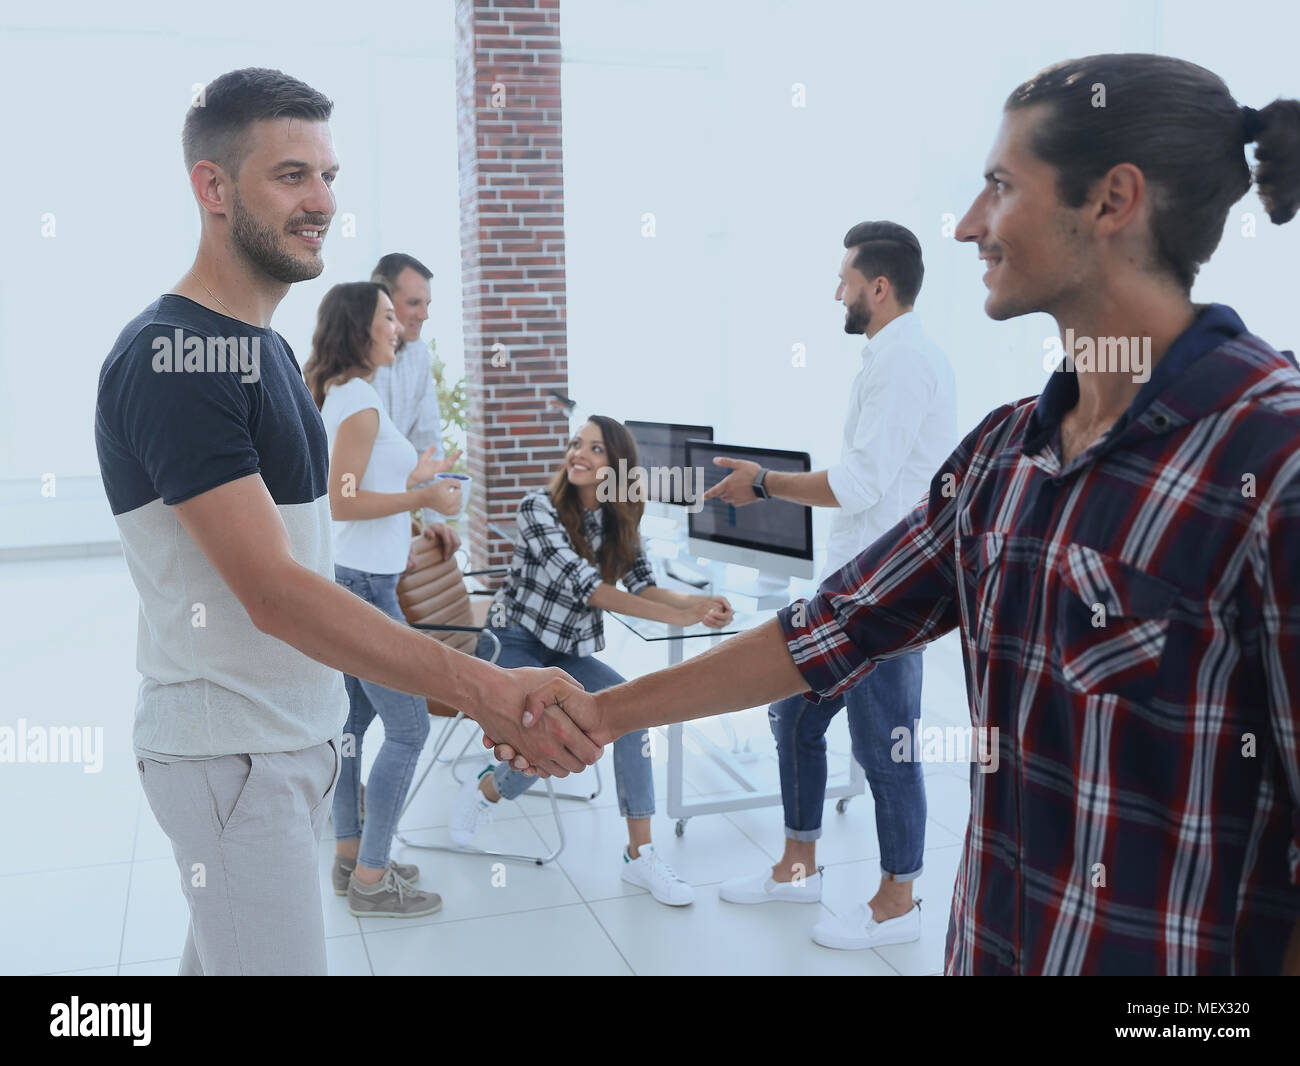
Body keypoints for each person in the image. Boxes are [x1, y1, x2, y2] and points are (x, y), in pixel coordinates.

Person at [493, 54, 1300, 976]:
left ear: (1113, 200)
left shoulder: (1272, 461)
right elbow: (825, 627)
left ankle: (885, 888)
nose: (966, 227)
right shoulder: (1005, 454)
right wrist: (600, 710)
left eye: (999, 186)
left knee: (886, 752)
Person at [94, 67, 598, 977]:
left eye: (329, 176)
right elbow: (275, 593)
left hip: (286, 743)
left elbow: (296, 537)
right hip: (235, 757)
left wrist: (412, 529)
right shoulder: (174, 359)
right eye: (292, 175)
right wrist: (482, 685)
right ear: (212, 188)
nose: (322, 201)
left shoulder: (267, 351)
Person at [705, 221, 957, 950]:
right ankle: (797, 869)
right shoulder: (888, 358)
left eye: (844, 280)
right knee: (796, 717)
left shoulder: (904, 362)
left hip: (888, 593)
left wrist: (764, 482)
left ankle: (898, 903)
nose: (836, 293)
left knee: (886, 746)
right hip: (850, 586)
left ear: (878, 287)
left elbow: (860, 483)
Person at [451, 416, 734, 905]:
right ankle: (489, 790)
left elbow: (643, 584)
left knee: (633, 713)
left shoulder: (618, 517)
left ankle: (639, 856)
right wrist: (683, 617)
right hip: (513, 641)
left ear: (616, 465)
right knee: (545, 728)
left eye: (595, 448)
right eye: (576, 444)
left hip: (566, 649)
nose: (579, 453)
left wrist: (697, 605)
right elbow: (592, 590)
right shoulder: (538, 508)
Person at [302, 281, 462, 917]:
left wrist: (415, 477)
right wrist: (422, 498)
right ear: (361, 329)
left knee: (353, 726)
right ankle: (372, 878)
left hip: (356, 574)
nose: (399, 327)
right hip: (364, 586)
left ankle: (350, 859)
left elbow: (359, 482)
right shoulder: (361, 401)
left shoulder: (347, 396)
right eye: (389, 317)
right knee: (411, 724)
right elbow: (342, 498)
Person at [369, 252, 463, 532]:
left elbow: (427, 440)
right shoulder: (351, 358)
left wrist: (436, 522)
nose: (424, 315)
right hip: (353, 516)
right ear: (382, 299)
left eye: (427, 304)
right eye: (414, 303)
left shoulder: (419, 353)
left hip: (392, 509)